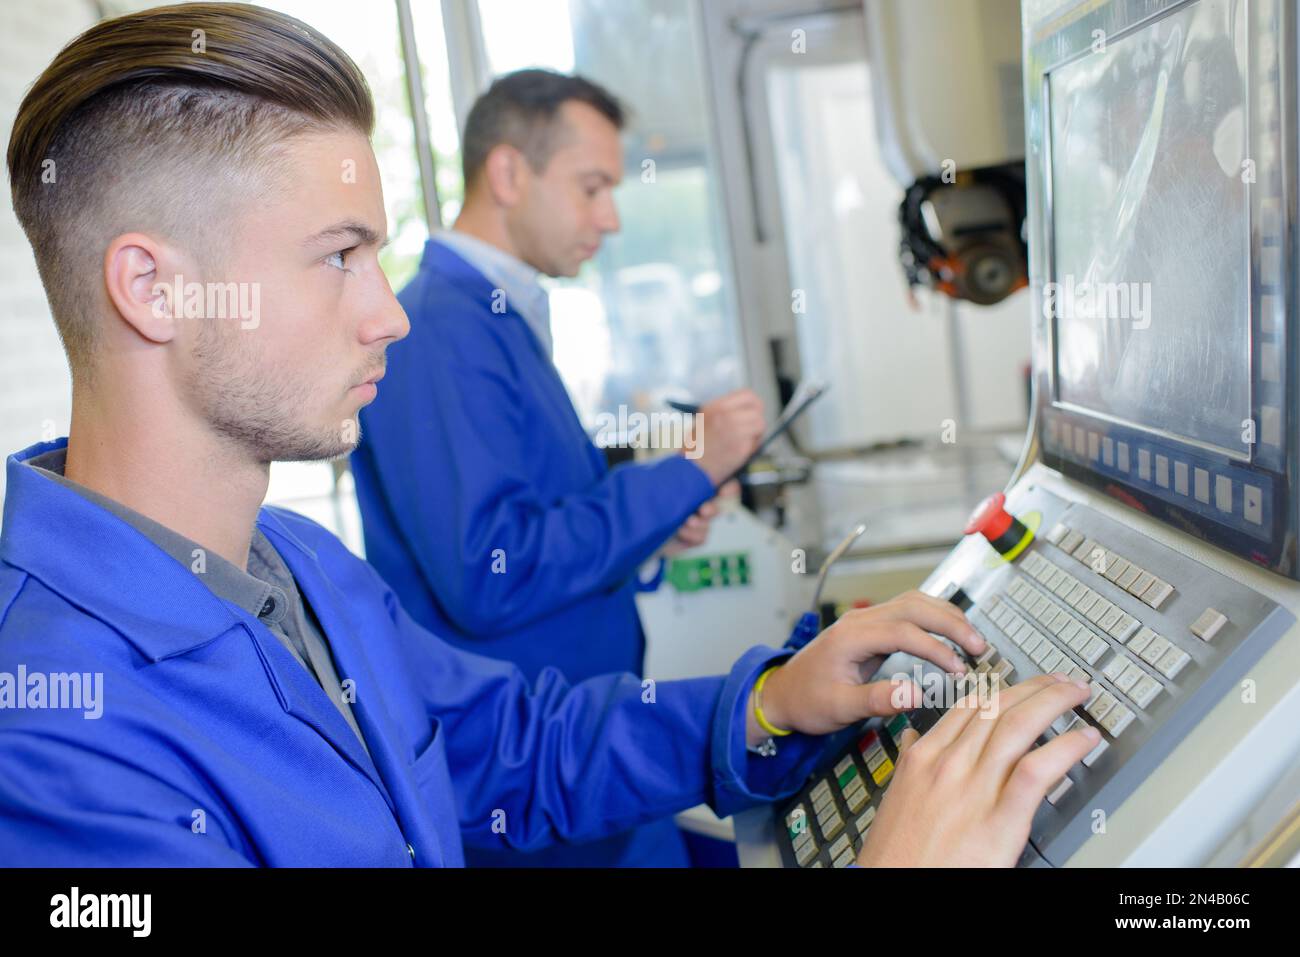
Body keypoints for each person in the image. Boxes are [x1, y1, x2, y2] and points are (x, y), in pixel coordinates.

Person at [0, 2, 1100, 868]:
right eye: (337, 255)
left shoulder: (302, 570)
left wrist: (767, 701)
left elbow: (514, 746)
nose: (385, 313)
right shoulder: (51, 744)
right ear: (155, 289)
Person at [350, 69, 765, 866]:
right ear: (509, 173)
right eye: (591, 187)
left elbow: (538, 512)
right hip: (533, 789)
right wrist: (685, 468)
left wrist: (657, 522)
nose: (609, 218)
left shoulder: (497, 315)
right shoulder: (440, 331)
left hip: (584, 765)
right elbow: (489, 571)